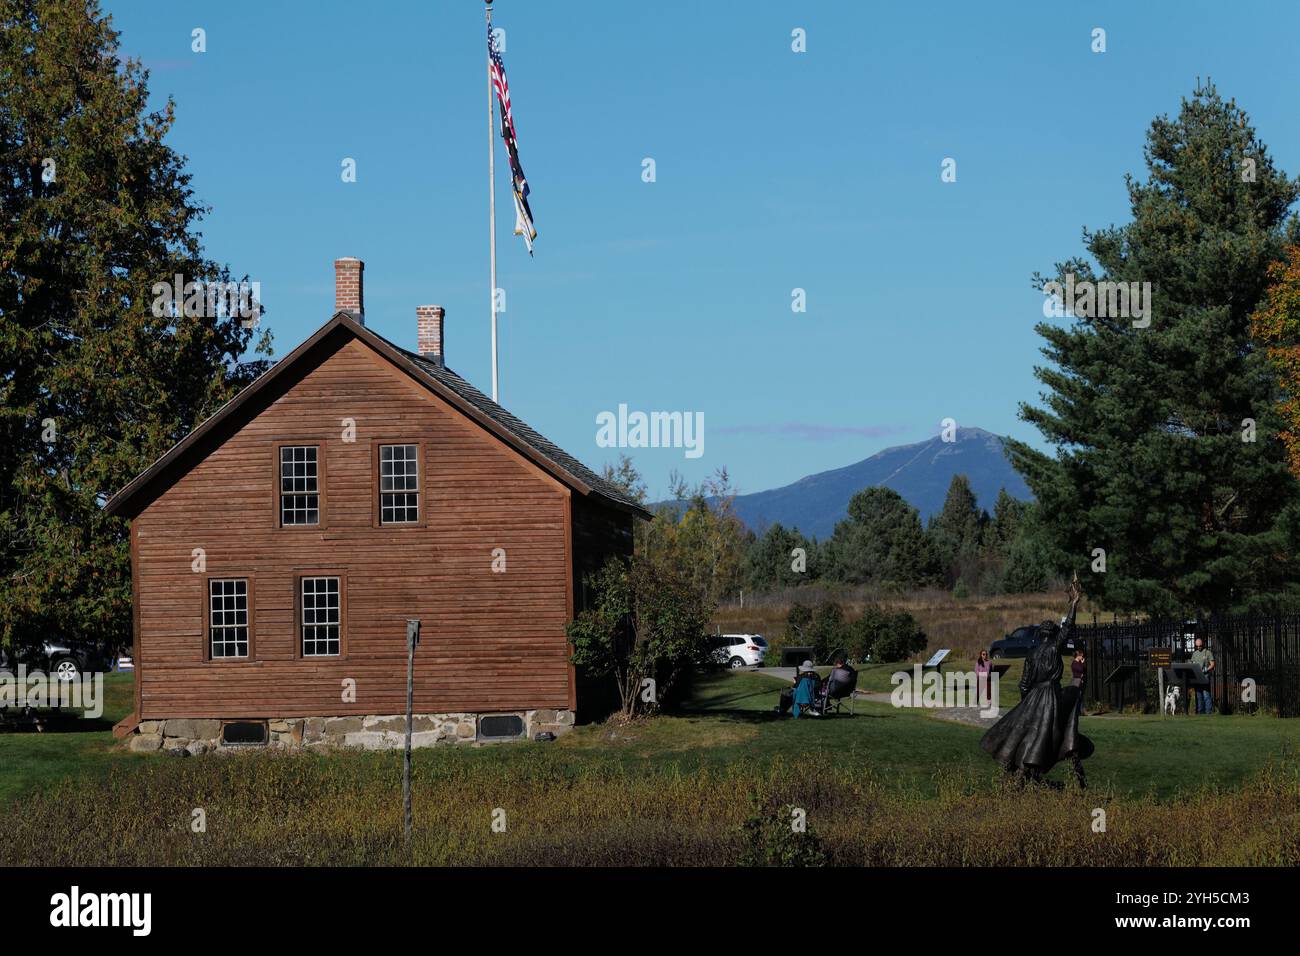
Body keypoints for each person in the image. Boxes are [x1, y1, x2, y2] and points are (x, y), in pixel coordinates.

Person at [980, 576, 1094, 788]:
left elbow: (1023, 684)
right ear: (1051, 636)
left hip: (1032, 697)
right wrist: (1074, 604)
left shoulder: (1031, 655)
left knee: (1026, 733)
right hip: (1049, 695)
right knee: (1043, 736)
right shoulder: (1053, 647)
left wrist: (1027, 704)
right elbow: (1068, 627)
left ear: (1040, 635)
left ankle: (1020, 776)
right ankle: (1029, 774)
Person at [1190, 637, 1215, 715]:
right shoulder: (1194, 654)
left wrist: (1206, 669)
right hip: (1197, 676)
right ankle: (1200, 713)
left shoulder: (1207, 652)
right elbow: (1192, 664)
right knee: (1198, 695)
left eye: (1200, 646)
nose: (1198, 647)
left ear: (1202, 644)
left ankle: (1208, 712)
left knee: (1206, 694)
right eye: (1197, 646)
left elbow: (1212, 664)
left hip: (1205, 676)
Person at [1070, 648, 1086, 716]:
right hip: (1076, 681)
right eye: (1081, 656)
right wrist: (1082, 664)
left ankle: (1080, 711)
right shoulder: (1074, 663)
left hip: (1080, 681)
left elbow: (1082, 671)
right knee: (1077, 696)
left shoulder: (1078, 663)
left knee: (1080, 696)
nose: (1082, 657)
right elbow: (1080, 669)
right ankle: (1076, 711)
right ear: (1078, 656)